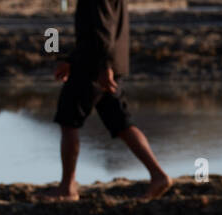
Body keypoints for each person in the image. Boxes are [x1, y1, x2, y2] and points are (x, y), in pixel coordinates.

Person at [44, 0, 171, 201]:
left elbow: (102, 29)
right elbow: (98, 29)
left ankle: (67, 187)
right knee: (121, 123)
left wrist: (104, 66)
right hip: (102, 64)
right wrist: (71, 59)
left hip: (93, 67)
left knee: (68, 121)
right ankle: (158, 176)